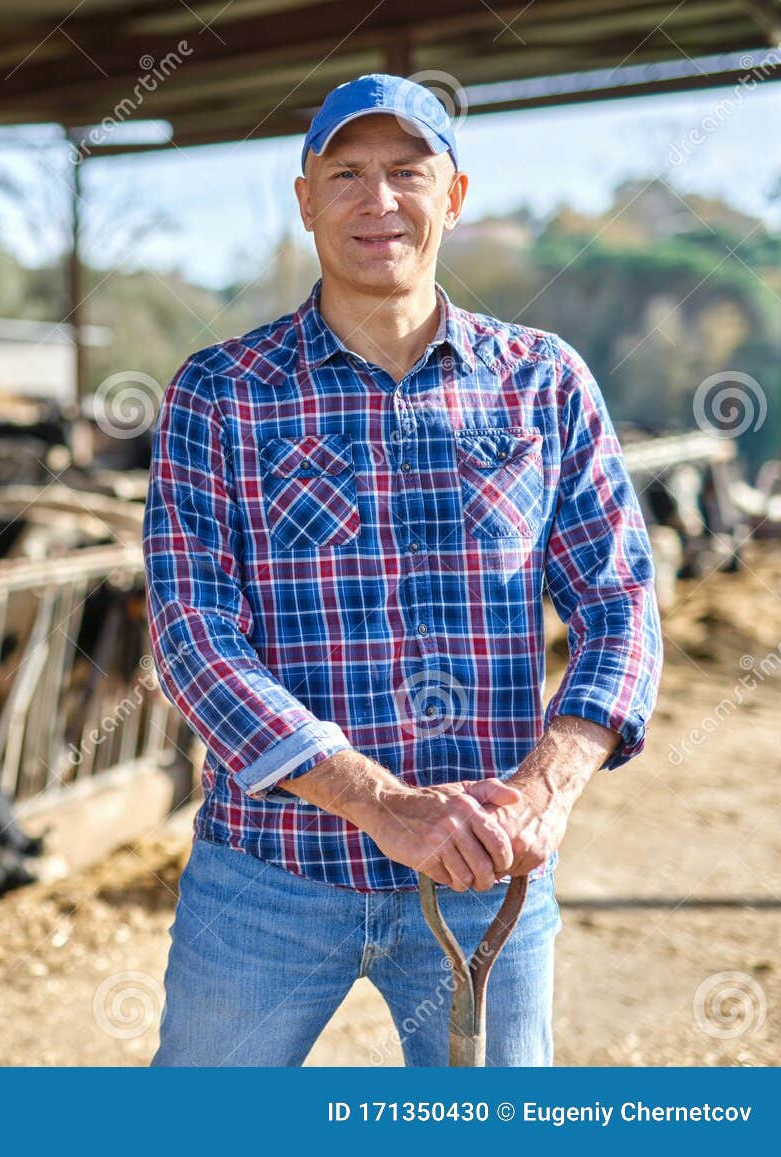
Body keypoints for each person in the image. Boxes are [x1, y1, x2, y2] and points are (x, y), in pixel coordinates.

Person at [142, 73, 662, 1066]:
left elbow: (619, 600)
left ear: (453, 195)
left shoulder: (541, 380)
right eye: (346, 174)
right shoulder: (220, 392)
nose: (377, 201)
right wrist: (378, 804)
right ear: (304, 200)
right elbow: (192, 637)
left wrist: (548, 788)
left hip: (487, 874)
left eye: (405, 172)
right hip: (270, 874)